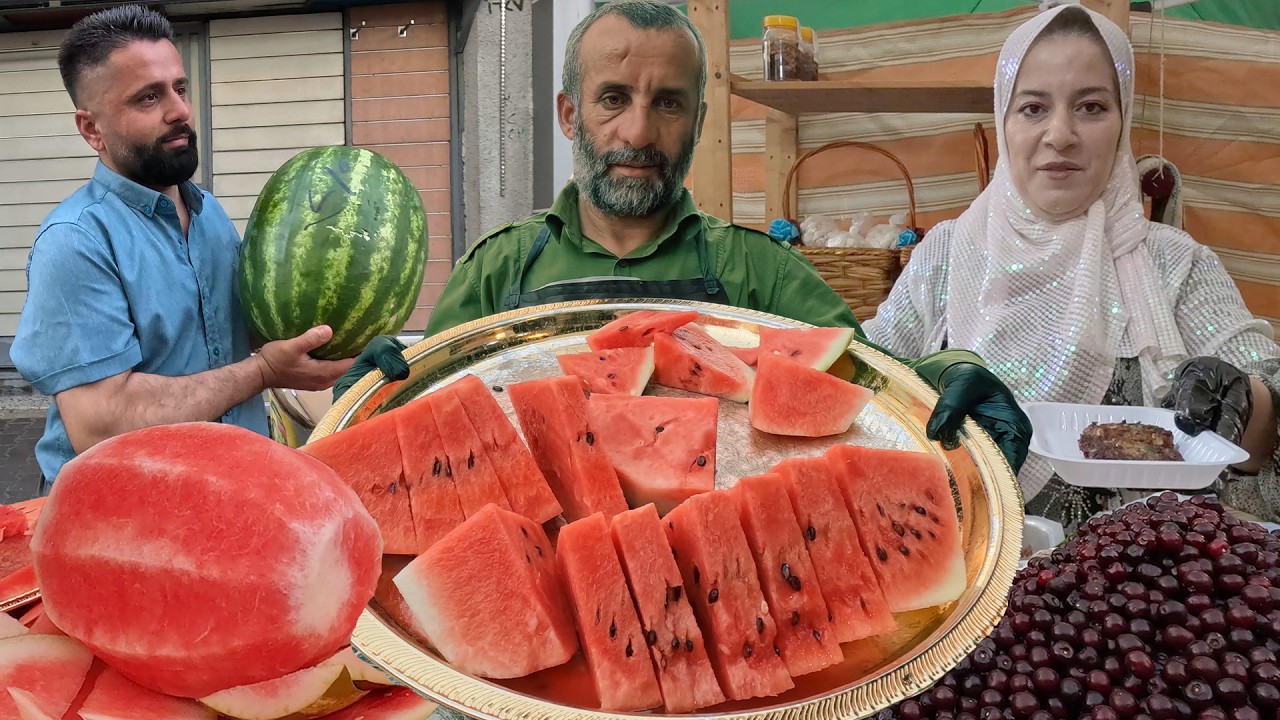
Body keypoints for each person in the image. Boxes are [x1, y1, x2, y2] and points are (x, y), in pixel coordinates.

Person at [422, 0, 1033, 474]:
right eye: (613, 98)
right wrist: (368, 391)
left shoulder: (761, 271)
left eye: (667, 103)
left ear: (698, 122)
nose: (638, 131)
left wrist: (950, 374)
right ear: (568, 114)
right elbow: (423, 428)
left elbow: (873, 391)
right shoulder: (498, 269)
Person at [863, 3, 1280, 527]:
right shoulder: (947, 253)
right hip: (966, 565)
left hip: (1147, 588)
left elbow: (1270, 420)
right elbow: (867, 380)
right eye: (1033, 108)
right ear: (1003, 119)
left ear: (1122, 121)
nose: (1060, 134)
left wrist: (1247, 400)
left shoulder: (1178, 264)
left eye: (1091, 107)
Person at [10, 5, 397, 490]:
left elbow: (240, 334)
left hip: (234, 488)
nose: (179, 111)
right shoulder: (76, 240)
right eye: (148, 98)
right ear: (92, 129)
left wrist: (345, 341)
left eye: (180, 88)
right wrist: (263, 372)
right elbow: (100, 420)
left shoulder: (208, 212)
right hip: (124, 512)